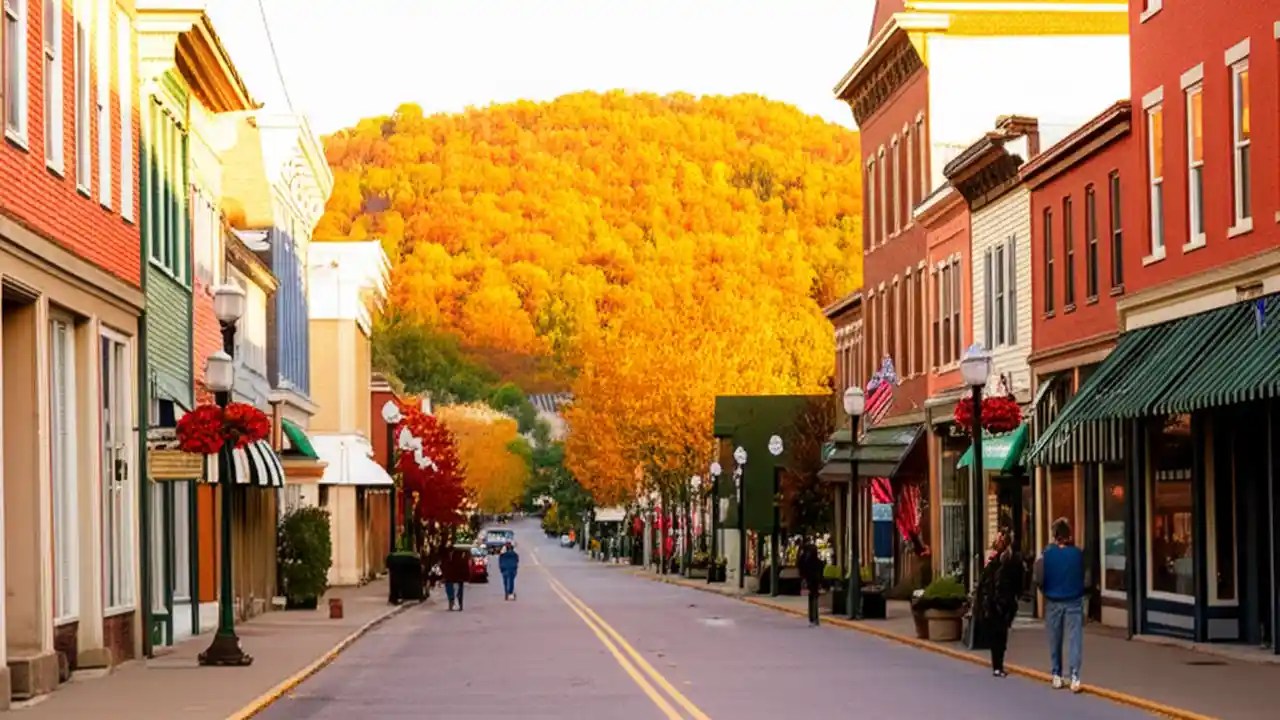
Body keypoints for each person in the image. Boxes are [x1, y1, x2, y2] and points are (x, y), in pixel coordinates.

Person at [1034, 517, 1087, 693]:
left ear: (1055, 535)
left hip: (1053, 600)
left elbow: (1038, 577)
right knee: (1074, 640)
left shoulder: (1046, 555)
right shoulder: (1078, 554)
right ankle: (1075, 677)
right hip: (1074, 600)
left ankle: (1057, 675)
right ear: (1069, 535)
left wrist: (1045, 590)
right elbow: (1086, 578)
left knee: (1055, 639)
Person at [978, 529, 1023, 677]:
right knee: (998, 635)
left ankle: (997, 665)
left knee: (998, 635)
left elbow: (1017, 582)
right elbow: (985, 582)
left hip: (1002, 602)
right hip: (996, 603)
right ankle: (997, 665)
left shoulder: (1011, 561)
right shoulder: (994, 560)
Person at [798, 542, 825, 627]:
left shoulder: (805, 559)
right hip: (814, 580)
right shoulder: (815, 561)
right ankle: (814, 618)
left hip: (811, 580)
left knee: (812, 598)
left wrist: (804, 578)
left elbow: (801, 568)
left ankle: (813, 618)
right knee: (814, 598)